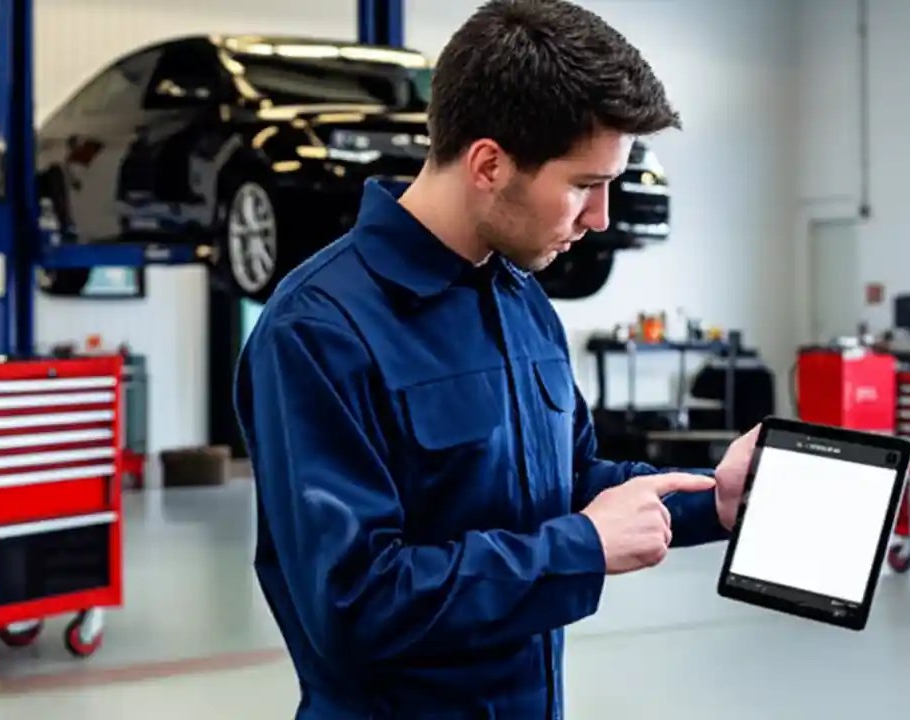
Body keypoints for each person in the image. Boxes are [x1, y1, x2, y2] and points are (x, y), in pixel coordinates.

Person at [233, 0, 761, 717]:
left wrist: (714, 500)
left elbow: (567, 482)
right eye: (584, 185)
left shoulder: (520, 298)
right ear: (489, 164)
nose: (600, 219)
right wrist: (578, 548)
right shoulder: (319, 331)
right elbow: (354, 602)